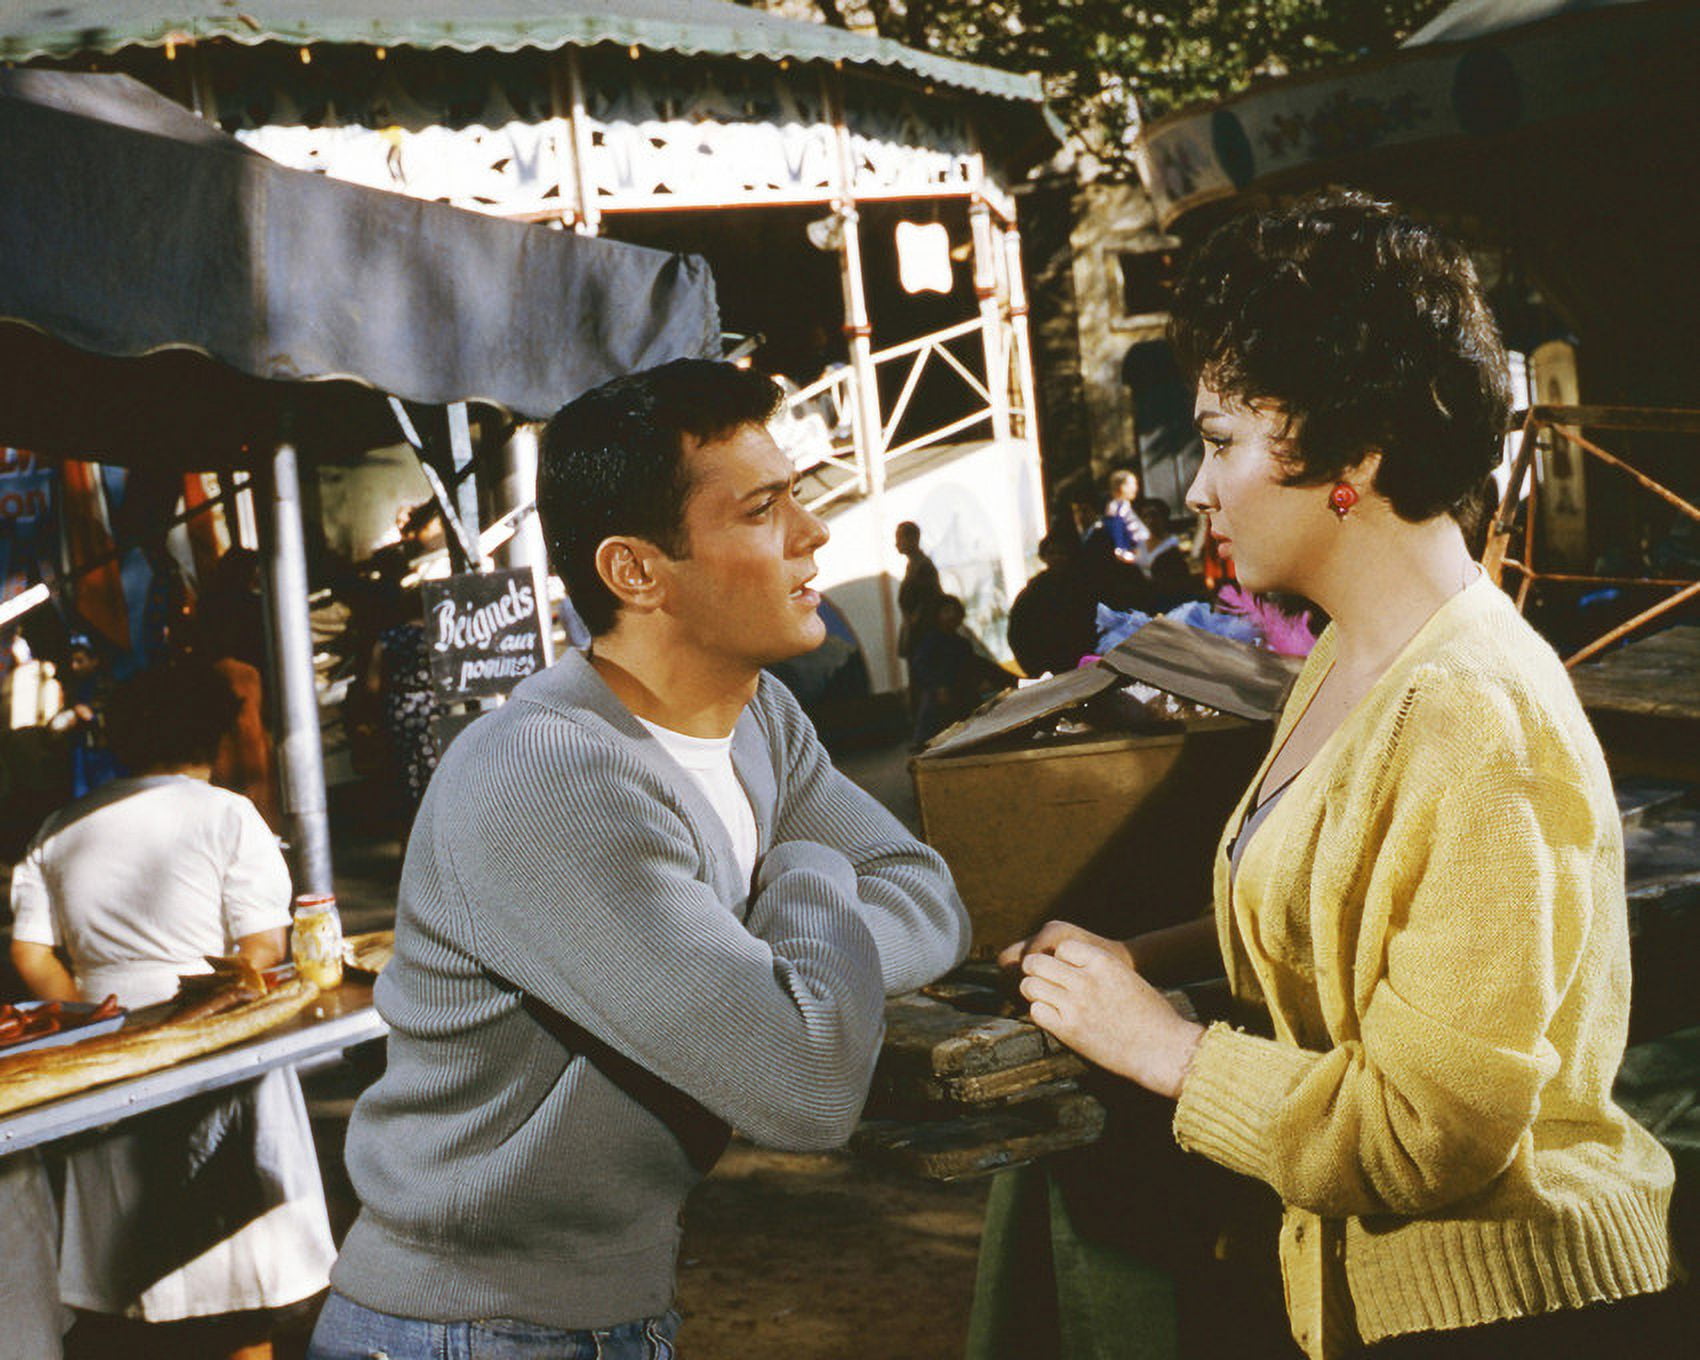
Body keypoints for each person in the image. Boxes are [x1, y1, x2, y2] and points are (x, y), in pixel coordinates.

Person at [1002, 192, 1675, 1357]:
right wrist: (1127, 969)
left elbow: (1422, 1134)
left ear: (1353, 450)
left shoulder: (1473, 712)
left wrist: (1158, 1045)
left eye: (1219, 441)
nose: (1196, 489)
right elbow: (1331, 914)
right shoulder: (1349, 654)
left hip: (1510, 1313)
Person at [309, 358, 969, 1359]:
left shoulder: (759, 719)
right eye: (760, 510)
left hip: (609, 1309)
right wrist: (806, 876)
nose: (812, 533)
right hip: (464, 1328)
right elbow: (804, 1081)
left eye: (795, 494)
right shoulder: (546, 774)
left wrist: (782, 968)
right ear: (635, 571)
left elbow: (927, 894)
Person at [9, 659, 335, 1360]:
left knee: (133, 1284)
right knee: (241, 1274)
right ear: (215, 738)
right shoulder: (227, 815)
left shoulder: (61, 825)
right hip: (216, 1048)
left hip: (106, 1063)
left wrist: (100, 1022)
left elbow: (32, 954)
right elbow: (260, 945)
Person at [1006, 532, 1098, 678]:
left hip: (1081, 661)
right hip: (1047, 665)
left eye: (1062, 553)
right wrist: (1034, 668)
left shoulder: (1083, 587)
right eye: (1052, 553)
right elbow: (1017, 631)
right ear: (1044, 557)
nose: (1057, 557)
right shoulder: (1033, 591)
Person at [894, 519, 943, 662]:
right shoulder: (914, 566)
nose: (896, 544)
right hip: (918, 636)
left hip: (923, 636)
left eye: (899, 538)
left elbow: (929, 603)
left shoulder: (923, 567)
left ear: (912, 539)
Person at [1101, 468, 1150, 563]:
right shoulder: (1117, 509)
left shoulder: (1125, 507)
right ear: (1122, 487)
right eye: (1132, 484)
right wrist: (1138, 561)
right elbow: (1119, 549)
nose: (1136, 488)